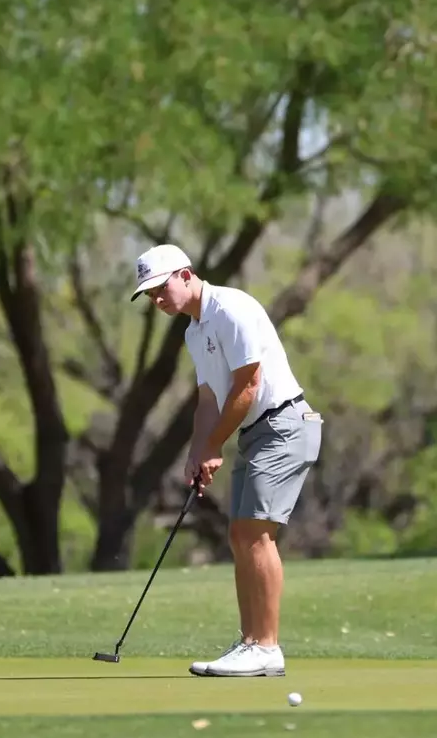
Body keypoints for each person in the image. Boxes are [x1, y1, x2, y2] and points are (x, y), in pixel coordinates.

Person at [129, 242, 322, 678]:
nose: (157, 300)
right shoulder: (194, 332)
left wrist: (215, 445)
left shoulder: (232, 308)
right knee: (240, 534)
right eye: (149, 295)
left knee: (254, 534)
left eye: (160, 288)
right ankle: (252, 641)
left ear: (185, 274)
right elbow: (207, 399)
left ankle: (266, 646)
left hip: (285, 424)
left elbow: (249, 385)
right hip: (258, 432)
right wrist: (199, 450)